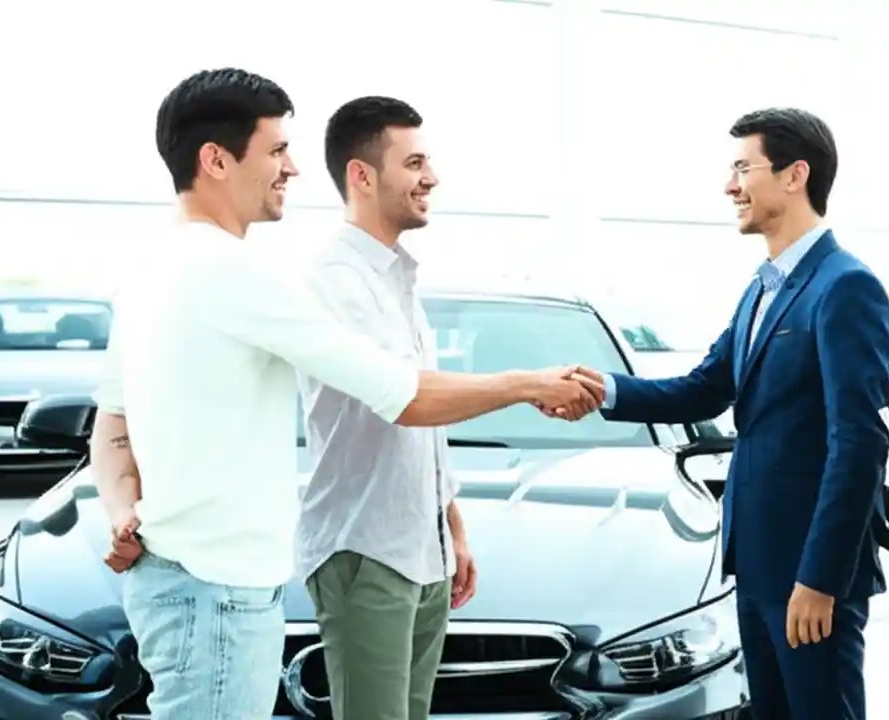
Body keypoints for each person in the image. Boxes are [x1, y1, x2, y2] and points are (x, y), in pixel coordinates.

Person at [89, 68, 599, 720]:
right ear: (216, 159)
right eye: (275, 150)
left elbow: (112, 428)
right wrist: (528, 383)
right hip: (218, 592)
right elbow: (401, 396)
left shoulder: (149, 270)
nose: (292, 169)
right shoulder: (235, 272)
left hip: (183, 582)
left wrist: (121, 508)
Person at [573, 108, 889, 720]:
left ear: (796, 175)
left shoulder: (845, 286)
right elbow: (703, 389)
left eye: (743, 168)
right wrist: (602, 389)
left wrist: (821, 578)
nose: (730, 186)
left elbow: (857, 444)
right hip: (756, 566)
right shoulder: (763, 287)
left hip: (809, 576)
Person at [294, 96, 465, 720]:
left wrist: (452, 525)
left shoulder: (397, 279)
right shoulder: (336, 280)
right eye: (414, 161)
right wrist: (528, 385)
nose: (432, 177)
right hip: (366, 552)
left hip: (422, 550)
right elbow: (408, 401)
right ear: (362, 176)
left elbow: (426, 431)